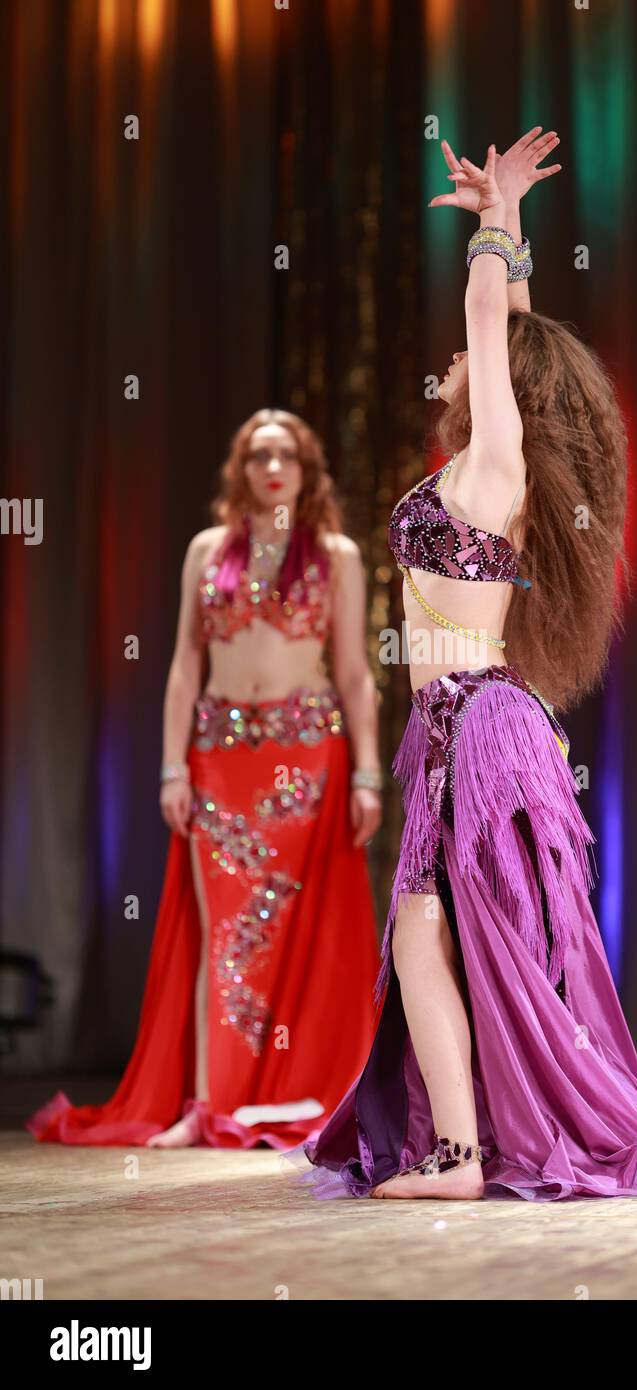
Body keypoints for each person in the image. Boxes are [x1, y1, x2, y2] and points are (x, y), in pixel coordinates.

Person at [289, 129, 637, 1199]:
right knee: (437, 934)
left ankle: (456, 1153)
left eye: (481, 358)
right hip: (473, 724)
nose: (461, 355)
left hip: (475, 725)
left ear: (503, 392)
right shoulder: (495, 472)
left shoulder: (492, 468)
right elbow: (510, 327)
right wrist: (514, 230)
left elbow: (492, 321)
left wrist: (492, 225)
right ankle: (464, 1142)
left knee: (427, 932)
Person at [28, 409, 383, 1149]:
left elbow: (353, 672)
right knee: (221, 933)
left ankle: (283, 1094)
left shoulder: (336, 555)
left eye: (287, 454)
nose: (273, 466)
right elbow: (185, 665)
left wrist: (369, 775)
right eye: (259, 454)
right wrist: (169, 766)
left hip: (308, 761)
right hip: (218, 761)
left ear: (308, 468)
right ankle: (204, 1104)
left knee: (298, 934)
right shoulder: (209, 551)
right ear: (241, 469)